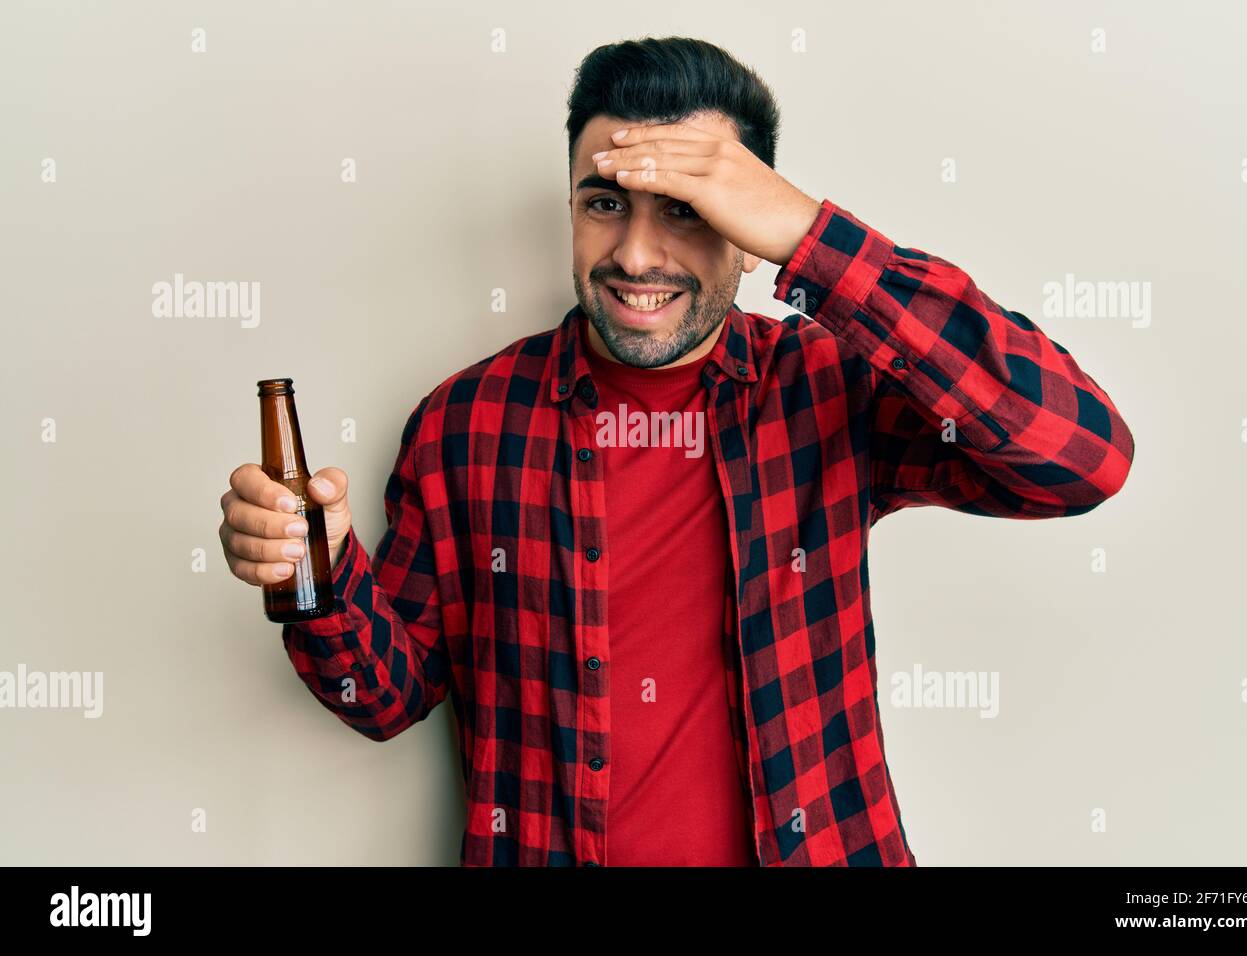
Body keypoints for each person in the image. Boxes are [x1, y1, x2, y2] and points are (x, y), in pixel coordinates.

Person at [218, 36, 1134, 867]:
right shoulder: (466, 423)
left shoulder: (824, 385)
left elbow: (1084, 458)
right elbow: (383, 699)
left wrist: (817, 240)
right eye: (605, 204)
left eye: (688, 211)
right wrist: (320, 571)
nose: (638, 253)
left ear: (750, 228)